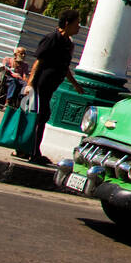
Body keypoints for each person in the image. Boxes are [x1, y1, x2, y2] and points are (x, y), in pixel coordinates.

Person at [23, 9, 87, 163]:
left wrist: (75, 85)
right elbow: (38, 61)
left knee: (40, 117)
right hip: (41, 84)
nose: (79, 27)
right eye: (76, 23)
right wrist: (30, 84)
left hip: (51, 86)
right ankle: (33, 152)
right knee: (41, 116)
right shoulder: (52, 38)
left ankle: (26, 150)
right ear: (67, 24)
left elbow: (64, 68)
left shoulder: (67, 43)